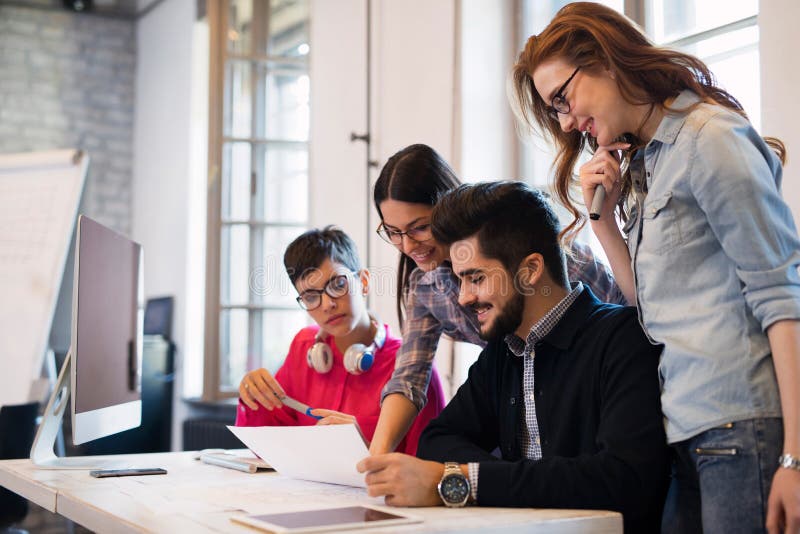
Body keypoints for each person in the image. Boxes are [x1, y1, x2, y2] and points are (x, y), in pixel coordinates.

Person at [510, 3, 800, 533]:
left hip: (741, 423)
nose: (568, 121)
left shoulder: (710, 138)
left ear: (602, 59)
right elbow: (650, 307)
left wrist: (795, 458)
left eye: (562, 98)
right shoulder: (649, 160)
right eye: (555, 111)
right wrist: (603, 224)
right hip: (687, 427)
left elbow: (783, 296)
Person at [358, 181, 669, 533]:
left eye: (475, 278)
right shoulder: (503, 354)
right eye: (461, 280)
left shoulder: (624, 338)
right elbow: (438, 440)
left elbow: (623, 482)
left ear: (530, 270)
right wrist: (518, 482)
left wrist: (462, 481)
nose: (463, 298)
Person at [369, 143, 627, 455]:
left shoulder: (557, 257)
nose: (408, 246)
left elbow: (628, 324)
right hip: (514, 404)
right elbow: (409, 377)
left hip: (581, 404)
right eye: (393, 232)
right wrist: (376, 455)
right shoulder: (428, 288)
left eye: (420, 228)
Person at [235, 226, 444, 456]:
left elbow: (427, 467)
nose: (327, 305)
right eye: (311, 296)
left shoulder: (412, 369)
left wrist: (364, 445)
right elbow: (270, 443)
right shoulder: (303, 347)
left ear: (363, 282)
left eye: (337, 284)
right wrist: (255, 395)